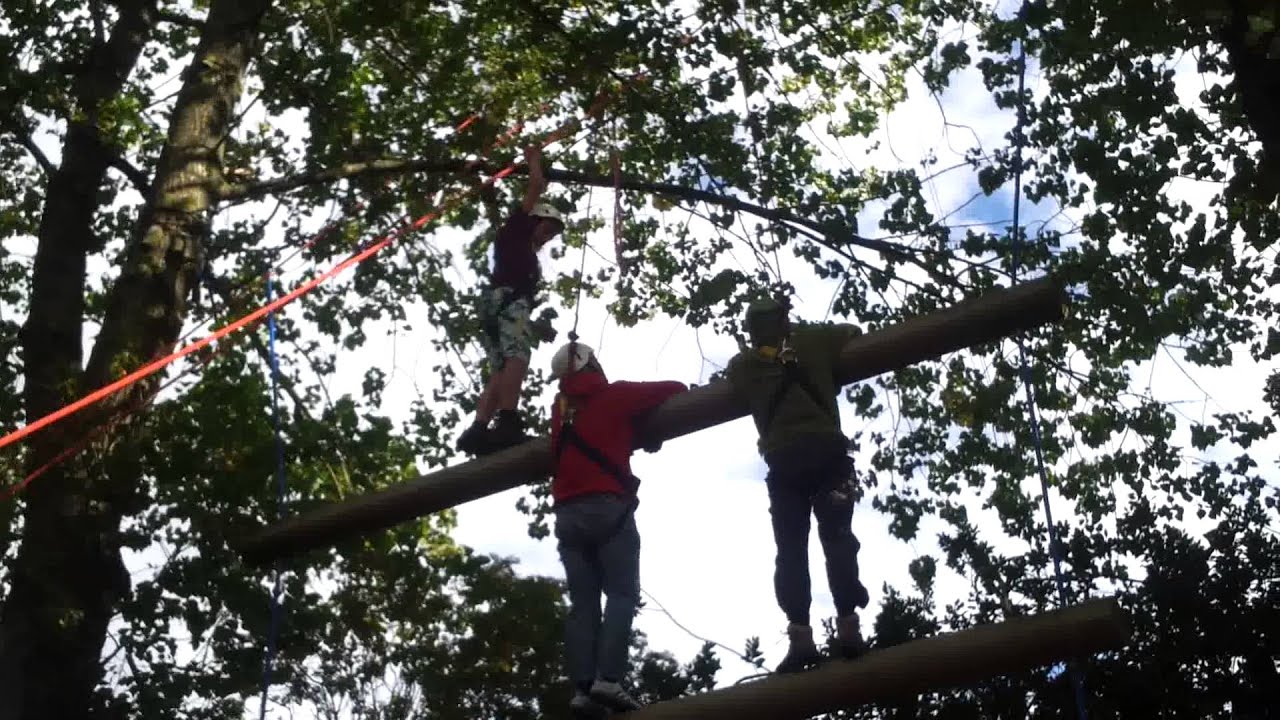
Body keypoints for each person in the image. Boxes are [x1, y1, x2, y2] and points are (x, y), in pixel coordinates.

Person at [725, 296, 871, 673]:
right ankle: (849, 628)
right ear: (785, 322)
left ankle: (801, 639)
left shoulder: (742, 367)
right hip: (830, 459)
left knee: (790, 552)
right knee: (837, 537)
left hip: (784, 466)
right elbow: (853, 333)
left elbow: (735, 382)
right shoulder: (814, 340)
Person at [547, 340, 687, 715]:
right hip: (608, 509)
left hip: (567, 514)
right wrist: (641, 425)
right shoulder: (617, 395)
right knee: (622, 595)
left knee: (584, 605)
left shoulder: (560, 409)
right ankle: (608, 680)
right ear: (592, 364)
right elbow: (676, 389)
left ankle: (582, 688)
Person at [457, 144, 565, 456]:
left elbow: (512, 307)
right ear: (534, 220)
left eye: (553, 235)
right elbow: (536, 186)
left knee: (502, 368)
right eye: (547, 228)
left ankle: (478, 430)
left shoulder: (523, 254)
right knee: (518, 357)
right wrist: (534, 162)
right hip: (504, 303)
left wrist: (532, 325)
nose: (548, 237)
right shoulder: (516, 230)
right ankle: (507, 421)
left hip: (496, 308)